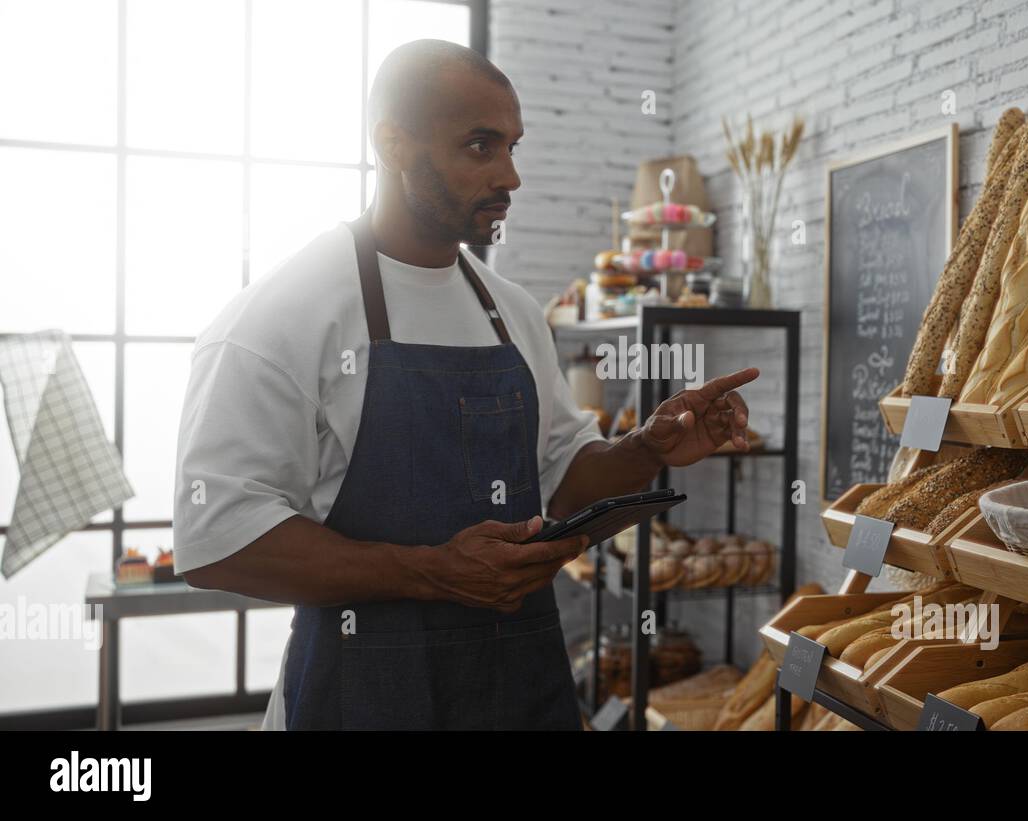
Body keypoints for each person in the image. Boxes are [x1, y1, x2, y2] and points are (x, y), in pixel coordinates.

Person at [172, 39, 757, 730]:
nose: (510, 175)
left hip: (520, 690)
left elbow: (560, 478)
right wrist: (429, 570)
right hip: (361, 696)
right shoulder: (282, 313)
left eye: (513, 146)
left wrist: (647, 448)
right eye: (481, 146)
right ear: (392, 144)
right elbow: (217, 538)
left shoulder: (511, 312)